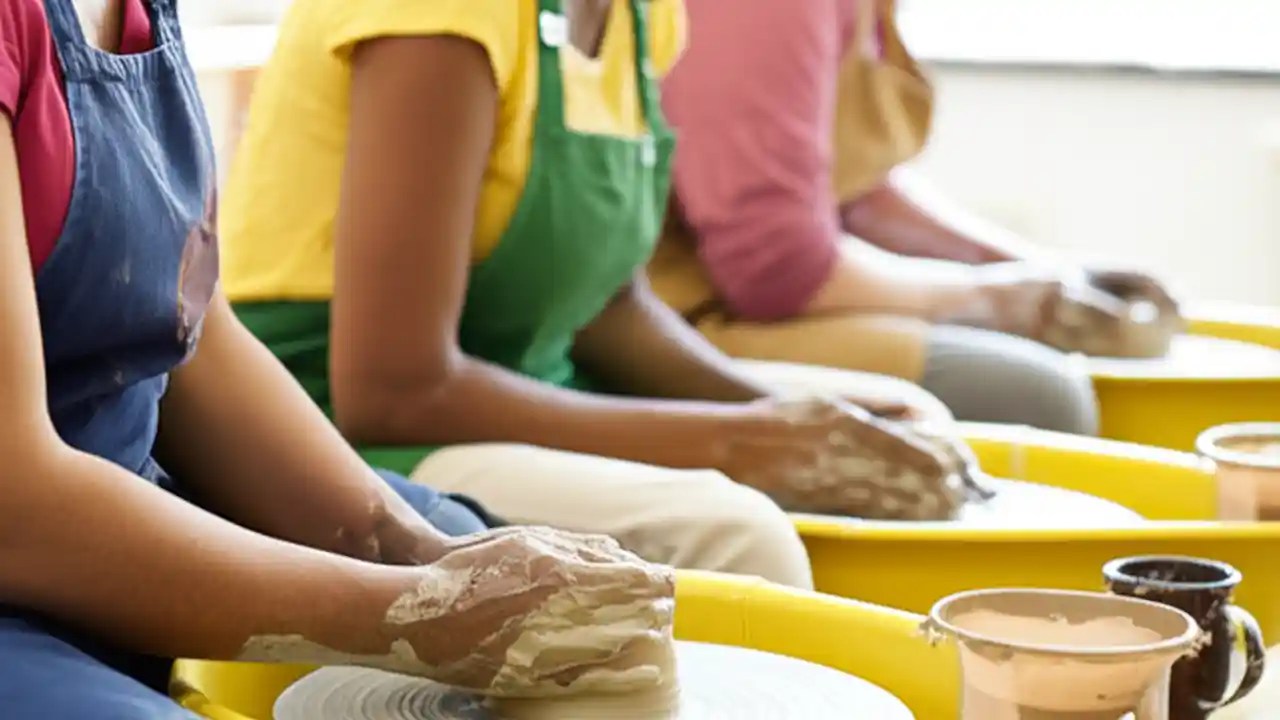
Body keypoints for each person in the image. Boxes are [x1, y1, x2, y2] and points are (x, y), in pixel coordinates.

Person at [0, 0, 673, 715]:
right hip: (28, 545)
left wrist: (416, 552)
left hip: (121, 491)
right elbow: (18, 504)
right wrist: (416, 613)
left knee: (509, 575)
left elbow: (194, 336)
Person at [220, 0, 974, 591]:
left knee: (904, 421)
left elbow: (610, 309)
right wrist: (744, 441)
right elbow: (392, 391)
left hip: (515, 384)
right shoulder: (440, 10)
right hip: (333, 429)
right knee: (740, 536)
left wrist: (782, 416)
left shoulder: (635, 12)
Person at [650, 0, 1182, 436]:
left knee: (1075, 350)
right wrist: (992, 300)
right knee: (1035, 394)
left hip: (743, 286)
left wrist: (1036, 270)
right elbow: (774, 265)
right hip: (671, 317)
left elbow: (849, 188)